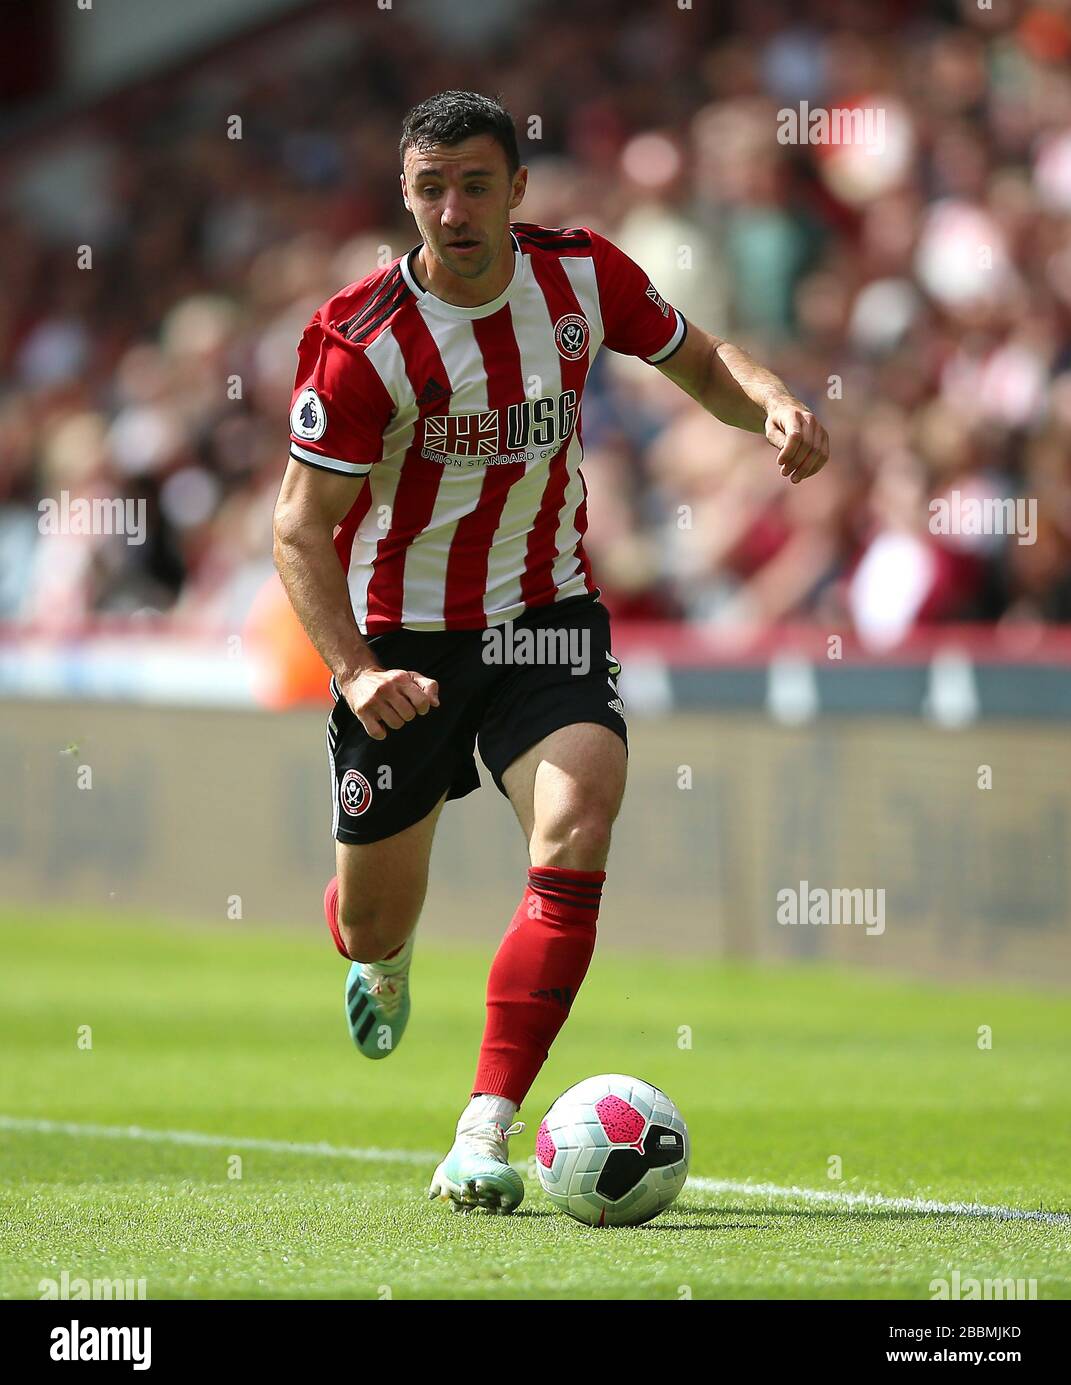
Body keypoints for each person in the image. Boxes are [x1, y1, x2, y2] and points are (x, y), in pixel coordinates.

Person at [272, 90, 829, 1213]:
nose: (454, 209)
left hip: (549, 618)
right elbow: (298, 527)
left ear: (518, 191)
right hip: (406, 648)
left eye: (477, 185)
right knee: (371, 916)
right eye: (431, 188)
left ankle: (484, 1128)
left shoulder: (579, 277)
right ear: (405, 195)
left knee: (578, 824)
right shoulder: (362, 340)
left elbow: (700, 361)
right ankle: (380, 955)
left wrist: (771, 400)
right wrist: (354, 671)